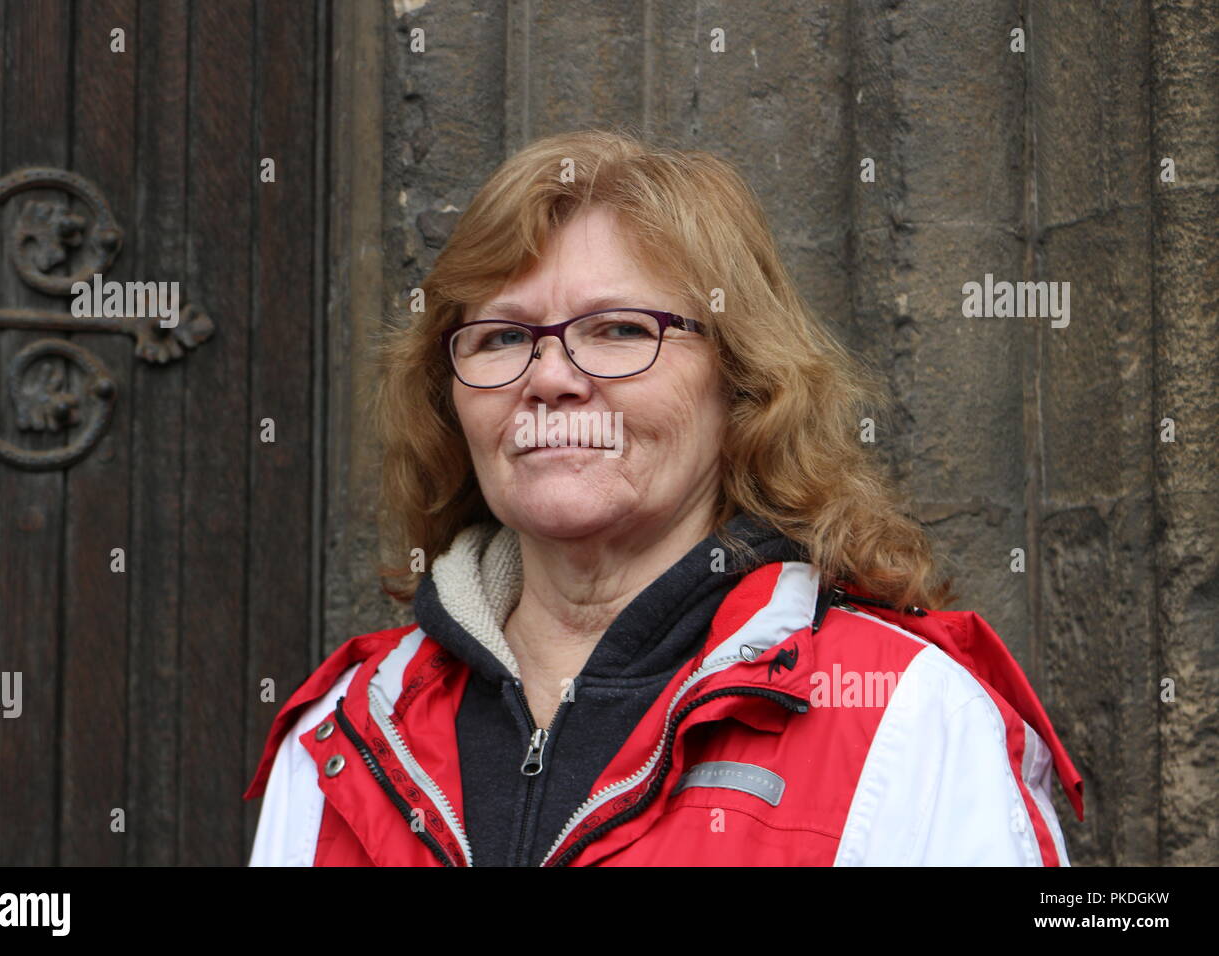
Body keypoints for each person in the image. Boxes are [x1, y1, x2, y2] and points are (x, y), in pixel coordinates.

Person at [243, 128, 1083, 866]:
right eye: (501, 337)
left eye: (619, 330)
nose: (550, 380)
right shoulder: (343, 736)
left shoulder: (909, 719)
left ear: (743, 380)